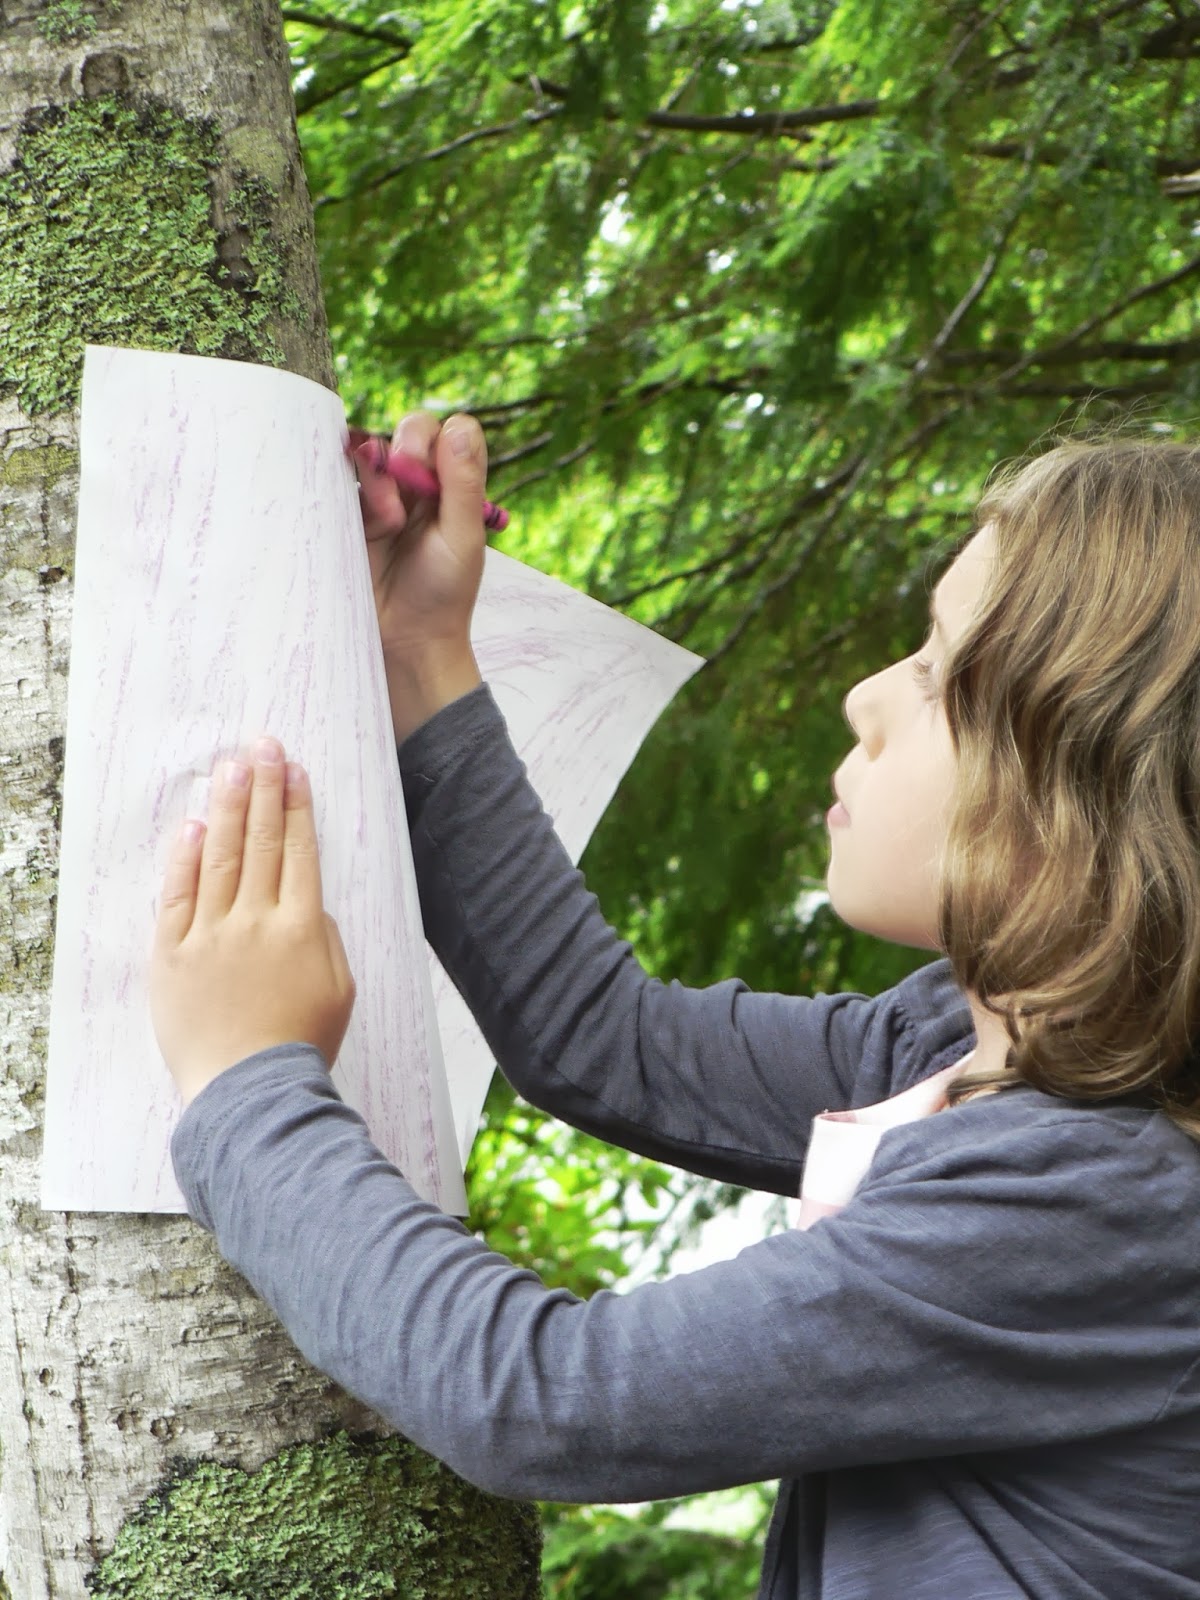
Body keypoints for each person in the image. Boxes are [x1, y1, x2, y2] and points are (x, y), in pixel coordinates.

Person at [149, 415, 1200, 1600]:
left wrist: (246, 1087)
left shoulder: (1102, 1196)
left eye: (936, 671)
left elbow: (548, 1399)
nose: (866, 699)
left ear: (1092, 787)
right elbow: (610, 1040)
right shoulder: (966, 1047)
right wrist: (422, 649)